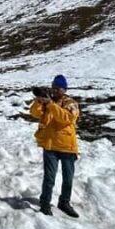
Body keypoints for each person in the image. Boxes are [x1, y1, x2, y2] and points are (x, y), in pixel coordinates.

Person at [29, 75, 80, 218]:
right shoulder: (47, 102)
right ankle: (45, 205)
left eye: (58, 88)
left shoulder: (71, 103)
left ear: (64, 89)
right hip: (50, 146)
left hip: (67, 147)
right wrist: (39, 101)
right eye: (53, 87)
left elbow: (67, 118)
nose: (55, 90)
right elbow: (34, 113)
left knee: (68, 179)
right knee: (49, 178)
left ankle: (64, 203)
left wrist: (50, 104)